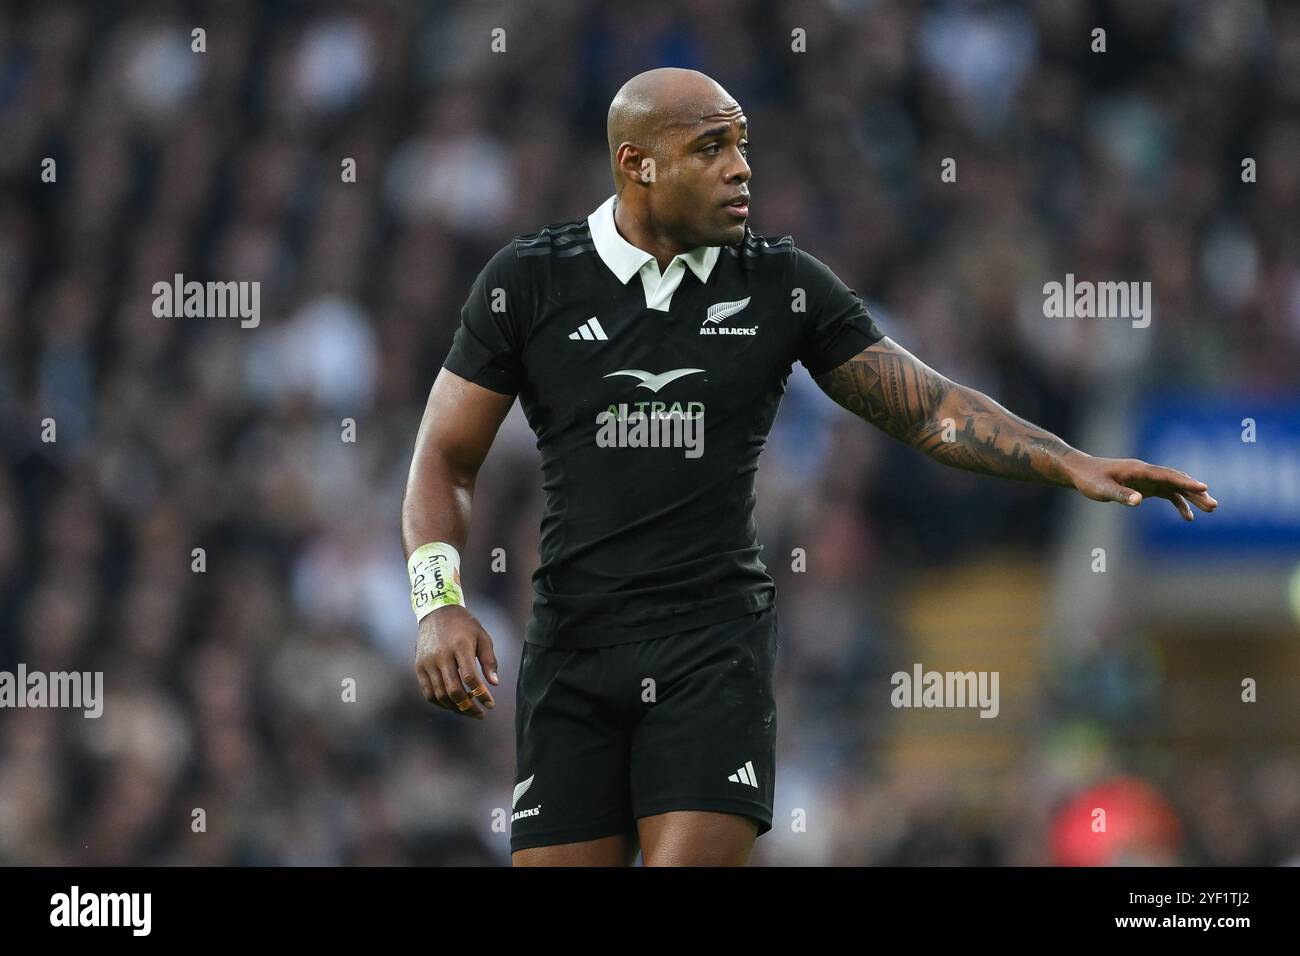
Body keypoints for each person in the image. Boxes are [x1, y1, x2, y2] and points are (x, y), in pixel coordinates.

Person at [400, 67, 1217, 867]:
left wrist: (1067, 462)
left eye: (744, 145)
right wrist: (438, 603)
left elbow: (929, 409)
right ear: (636, 165)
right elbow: (445, 455)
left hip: (711, 651)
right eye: (712, 147)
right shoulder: (530, 281)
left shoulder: (780, 285)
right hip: (573, 652)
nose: (741, 167)